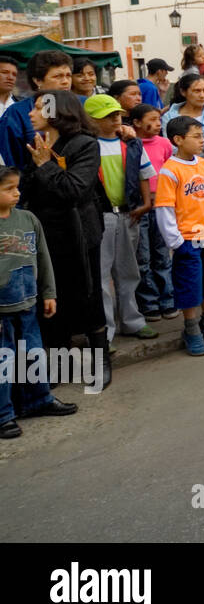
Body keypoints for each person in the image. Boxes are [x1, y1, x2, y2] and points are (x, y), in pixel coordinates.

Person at [20, 89, 110, 387]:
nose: (31, 114)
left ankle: (100, 360)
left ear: (55, 111)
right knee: (51, 297)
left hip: (80, 232)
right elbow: (29, 190)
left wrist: (45, 165)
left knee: (87, 294)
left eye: (36, 108)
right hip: (46, 232)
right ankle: (59, 364)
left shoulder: (84, 144)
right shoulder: (39, 143)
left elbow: (74, 189)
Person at [0, 166, 78, 439]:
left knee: (34, 353)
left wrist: (49, 293)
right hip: (2, 311)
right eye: (8, 189)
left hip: (29, 303)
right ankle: (4, 414)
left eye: (17, 186)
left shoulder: (28, 219)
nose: (16, 192)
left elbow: (43, 258)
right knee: (4, 361)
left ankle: (38, 400)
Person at [85, 95, 157, 342]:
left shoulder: (131, 144)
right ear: (91, 120)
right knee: (102, 275)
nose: (116, 119)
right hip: (100, 216)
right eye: (108, 116)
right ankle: (105, 331)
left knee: (128, 270)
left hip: (129, 213)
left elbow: (144, 174)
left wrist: (146, 202)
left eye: (117, 115)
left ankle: (132, 321)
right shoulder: (87, 145)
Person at [155, 117, 204, 354]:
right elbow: (164, 209)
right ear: (178, 140)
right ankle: (191, 328)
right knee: (190, 284)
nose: (202, 141)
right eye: (196, 136)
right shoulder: (170, 170)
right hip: (190, 237)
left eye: (202, 136)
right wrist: (175, 241)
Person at [130, 103, 175, 321]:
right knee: (143, 256)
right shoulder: (130, 144)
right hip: (140, 205)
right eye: (152, 119)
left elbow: (169, 171)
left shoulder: (165, 143)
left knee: (162, 254)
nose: (158, 124)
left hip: (162, 203)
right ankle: (148, 302)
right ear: (136, 123)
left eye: (159, 119)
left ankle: (167, 299)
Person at [1, 50, 73, 177]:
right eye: (58, 76)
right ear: (38, 81)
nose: (65, 81)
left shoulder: (79, 106)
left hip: (78, 186)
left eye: (68, 76)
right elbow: (12, 163)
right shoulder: (17, 113)